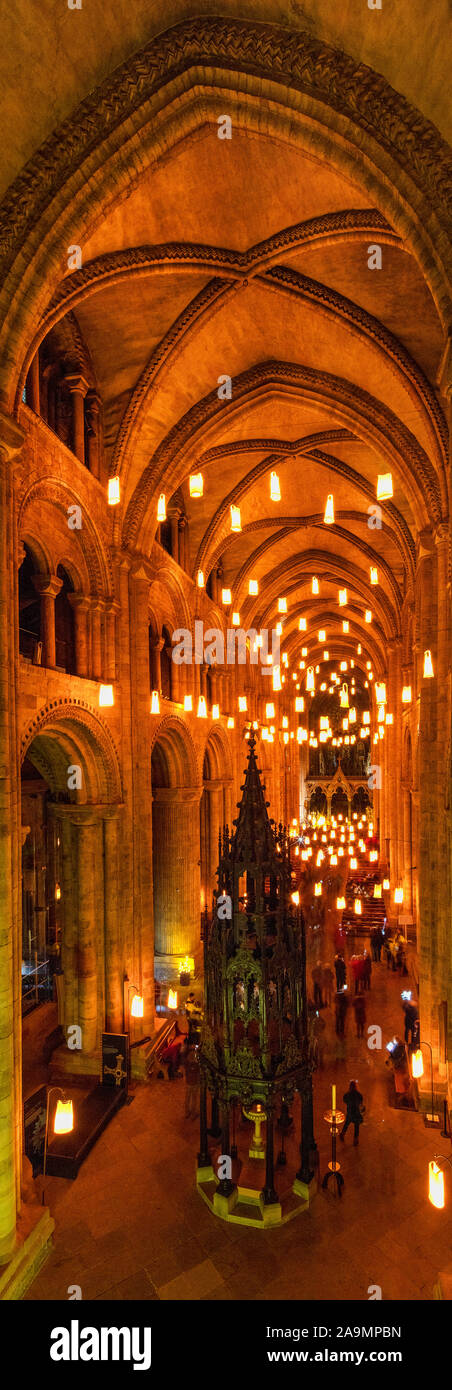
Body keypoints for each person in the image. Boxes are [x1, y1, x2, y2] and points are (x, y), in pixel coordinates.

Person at [340, 1080, 365, 1145]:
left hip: (350, 1111)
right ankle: (355, 1139)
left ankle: (342, 1134)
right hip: (356, 1112)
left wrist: (349, 1104)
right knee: (356, 1126)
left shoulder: (347, 1094)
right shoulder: (359, 1095)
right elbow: (361, 1102)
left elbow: (345, 1100)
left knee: (347, 1123)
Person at [183, 1042, 200, 1118]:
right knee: (194, 1098)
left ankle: (187, 1112)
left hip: (189, 1081)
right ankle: (193, 1113)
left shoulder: (188, 1060)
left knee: (188, 1097)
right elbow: (198, 1072)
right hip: (195, 1082)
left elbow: (186, 1070)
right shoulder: (196, 1061)